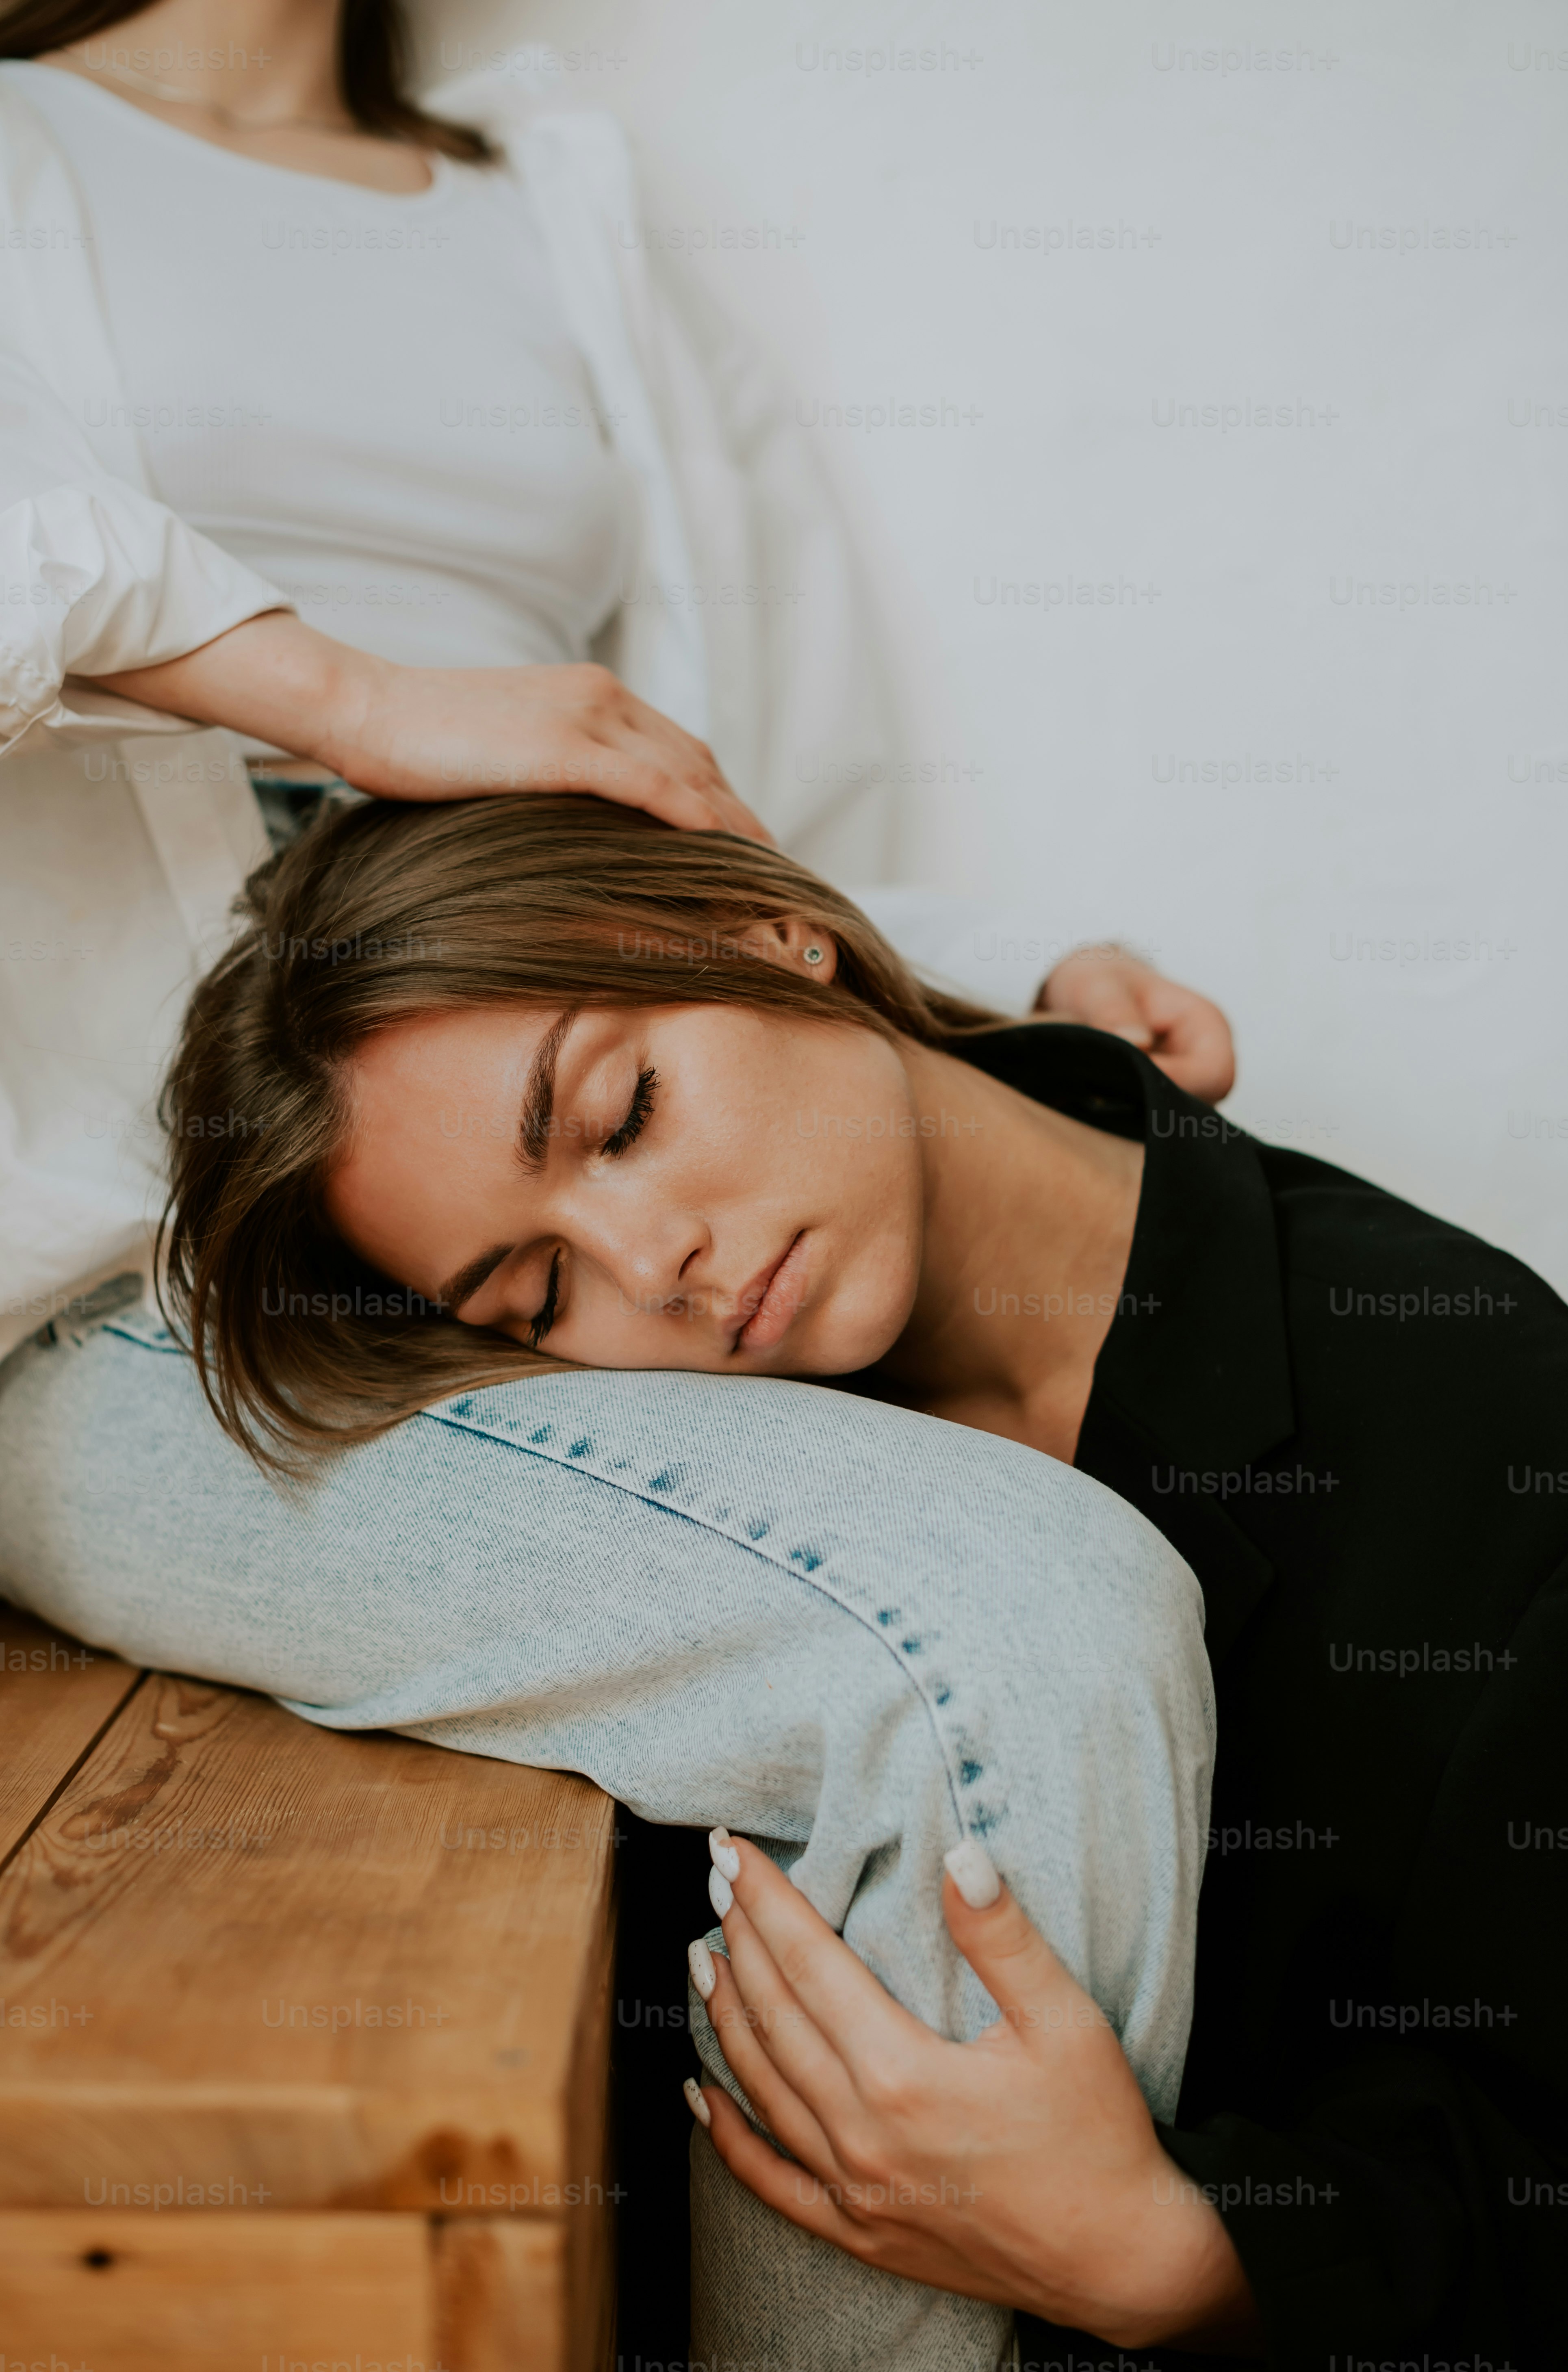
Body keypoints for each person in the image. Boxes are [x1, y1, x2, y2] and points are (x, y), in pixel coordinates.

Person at [0, 3, 1235, 2361]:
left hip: (539, 1150)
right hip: (132, 1258)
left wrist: (990, 972)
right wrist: (352, 700)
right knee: (995, 1642)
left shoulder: (542, 201)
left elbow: (715, 781)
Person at [144, 791, 1568, 2370]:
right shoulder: (664, 1501)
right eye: (539, 1287)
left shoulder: (1486, 1425)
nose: (650, 1258)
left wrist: (1181, 2253)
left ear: (774, 933)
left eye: (622, 1115)